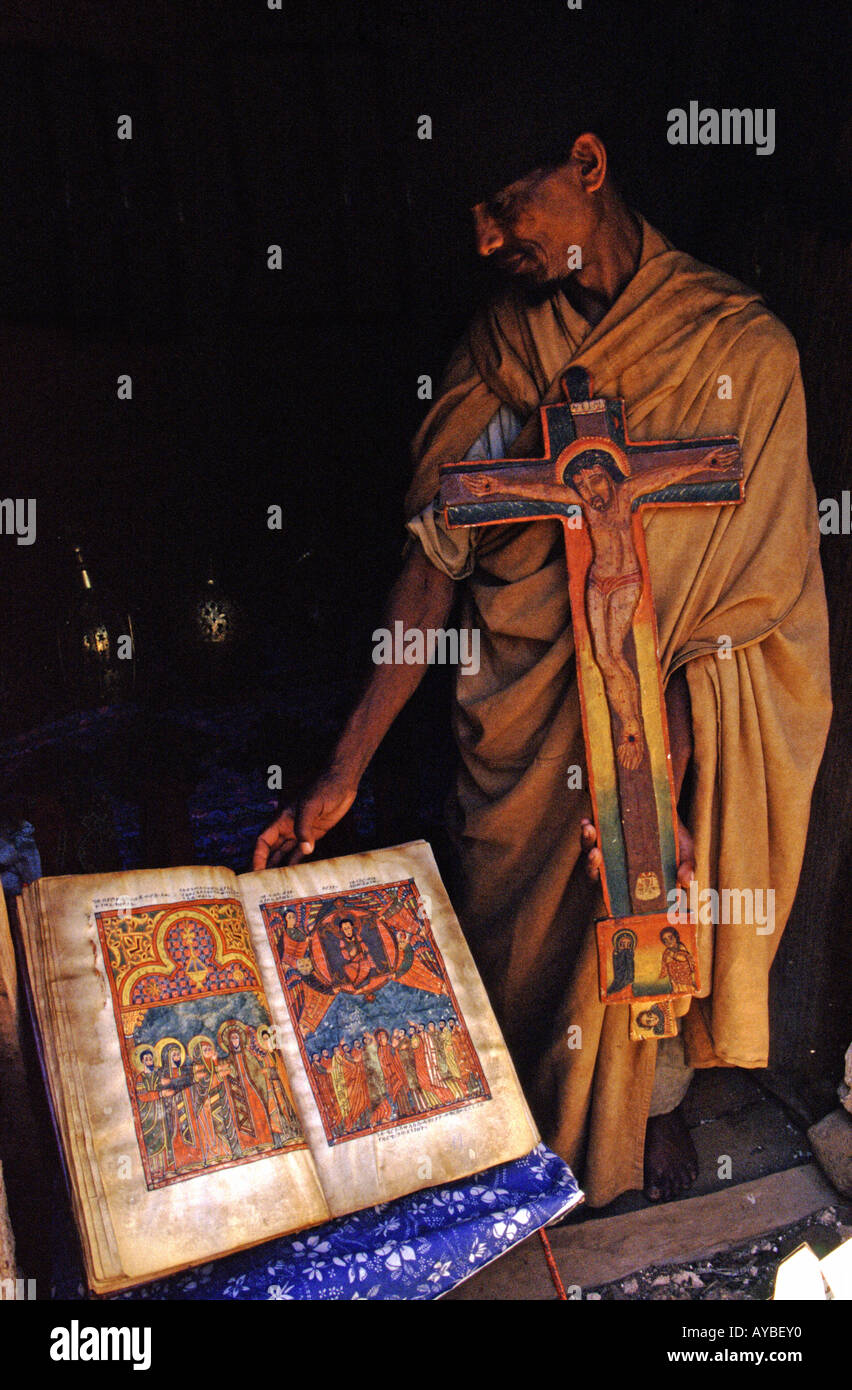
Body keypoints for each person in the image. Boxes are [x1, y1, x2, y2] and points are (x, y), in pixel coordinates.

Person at [254, 129, 831, 1206]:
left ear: (587, 165)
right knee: (522, 956)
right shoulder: (500, 357)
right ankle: (536, 1179)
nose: (483, 240)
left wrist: (673, 771)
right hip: (521, 746)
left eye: (501, 204)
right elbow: (434, 564)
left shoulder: (743, 356)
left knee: (643, 922)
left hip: (657, 740)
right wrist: (342, 769)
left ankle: (627, 1141)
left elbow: (764, 616)